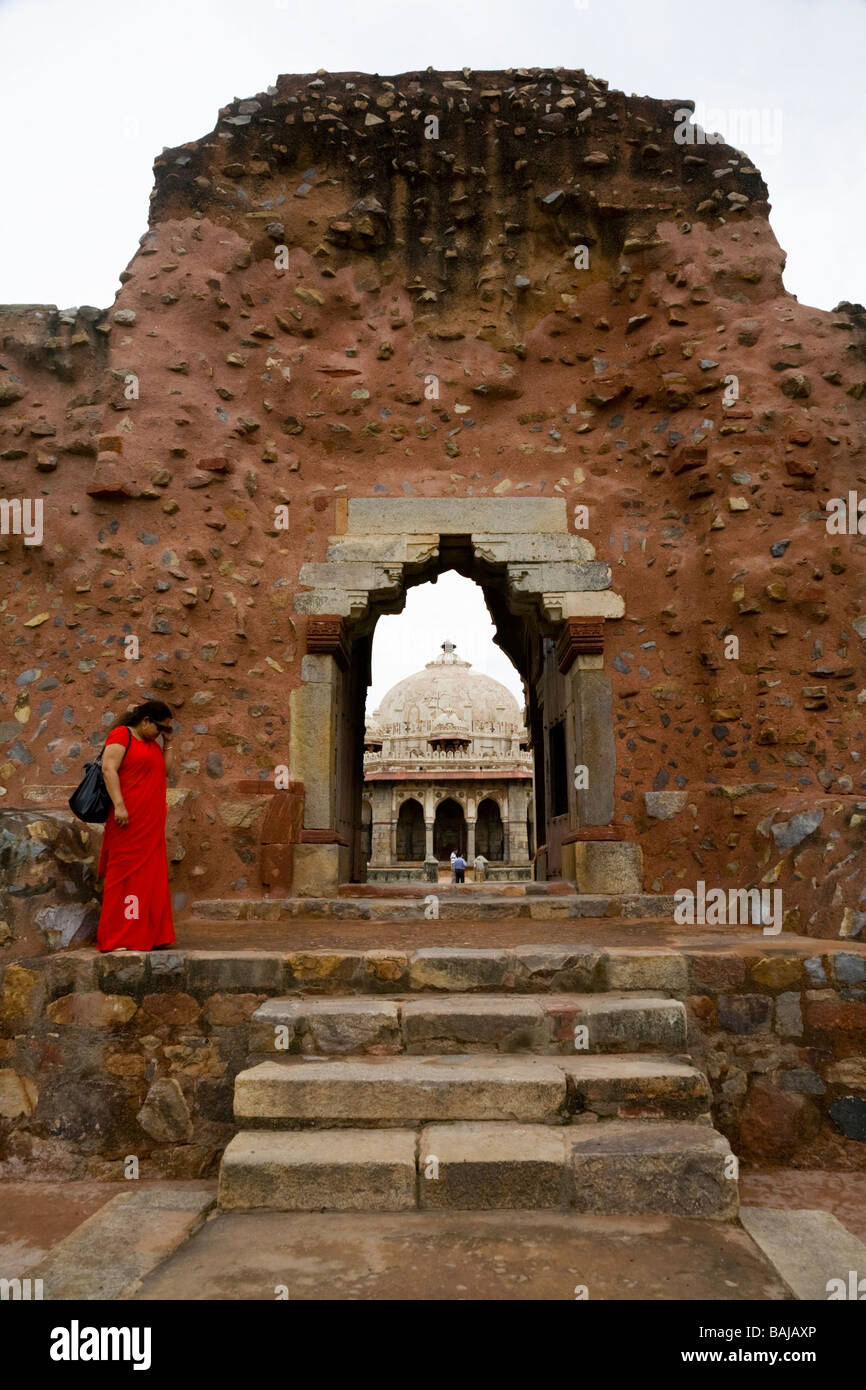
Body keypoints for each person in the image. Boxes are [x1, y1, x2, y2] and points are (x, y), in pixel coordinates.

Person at [95, 700, 176, 953]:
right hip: (127, 819)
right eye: (160, 728)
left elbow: (166, 771)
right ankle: (116, 937)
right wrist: (119, 805)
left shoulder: (153, 744)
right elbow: (109, 769)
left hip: (150, 821)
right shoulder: (121, 735)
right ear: (146, 721)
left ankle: (150, 934)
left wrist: (168, 743)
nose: (161, 733)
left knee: (149, 879)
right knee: (123, 876)